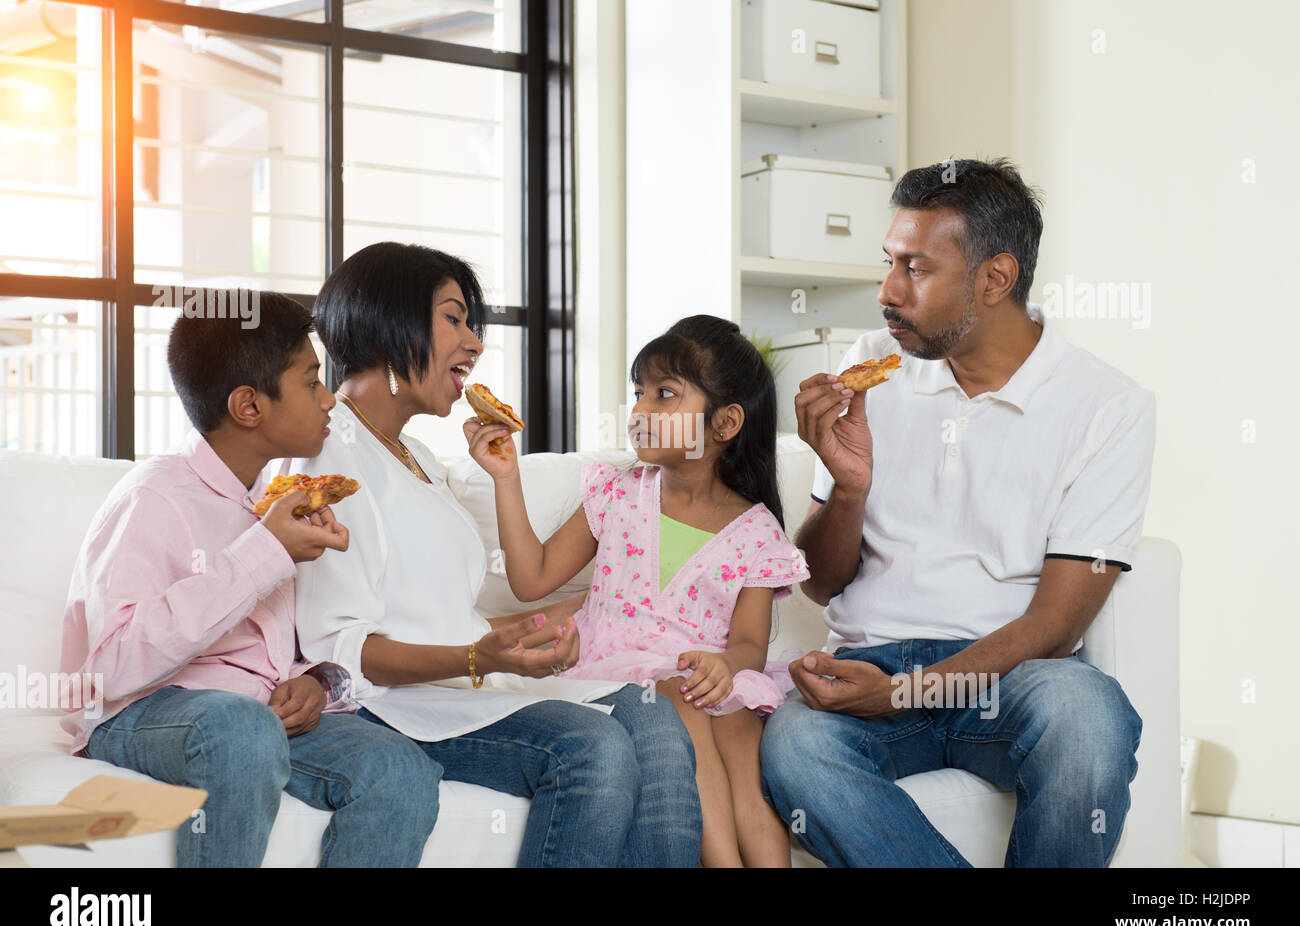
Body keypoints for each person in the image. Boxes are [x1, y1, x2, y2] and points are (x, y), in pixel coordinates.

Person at [761, 158, 1155, 867]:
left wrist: (908, 692)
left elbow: (1055, 623)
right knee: (795, 748)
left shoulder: (1107, 406)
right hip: (867, 659)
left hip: (1011, 678)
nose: (886, 291)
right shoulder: (870, 365)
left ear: (994, 279)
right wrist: (848, 487)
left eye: (915, 268)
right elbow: (821, 582)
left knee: (1089, 715)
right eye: (889, 262)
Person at [286, 242, 702, 867]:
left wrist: (564, 622)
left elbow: (453, 618)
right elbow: (339, 651)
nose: (475, 343)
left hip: (463, 679)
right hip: (392, 706)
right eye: (453, 319)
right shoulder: (330, 452)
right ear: (386, 324)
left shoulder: (418, 458)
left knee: (654, 715)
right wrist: (480, 657)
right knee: (592, 748)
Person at [59, 291, 440, 867]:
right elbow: (111, 667)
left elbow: (279, 649)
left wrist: (317, 682)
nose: (329, 399)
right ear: (248, 406)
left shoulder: (274, 499)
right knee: (241, 730)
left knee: (400, 768)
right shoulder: (153, 496)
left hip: (257, 714)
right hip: (139, 713)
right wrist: (265, 552)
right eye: (311, 382)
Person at [469, 315, 809, 868]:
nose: (640, 411)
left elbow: (750, 644)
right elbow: (530, 579)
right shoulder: (615, 493)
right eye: (638, 393)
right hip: (622, 670)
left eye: (664, 395)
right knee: (687, 707)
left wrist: (725, 666)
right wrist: (506, 478)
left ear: (724, 423)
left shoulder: (757, 531)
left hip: (709, 673)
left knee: (743, 735)